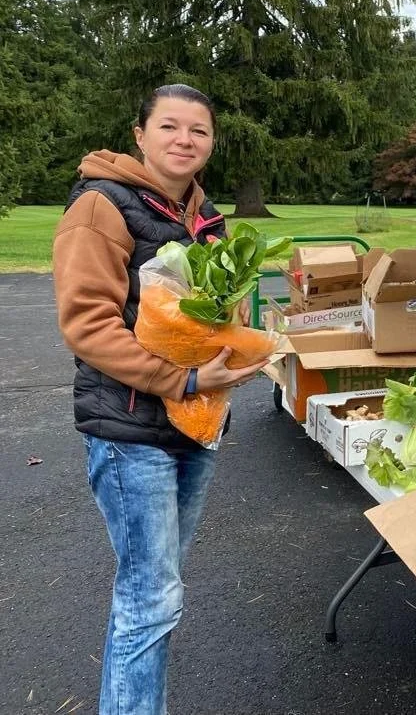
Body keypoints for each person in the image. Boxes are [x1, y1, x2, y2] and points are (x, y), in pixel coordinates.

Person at [52, 84, 264, 715]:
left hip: (194, 425)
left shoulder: (205, 217)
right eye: (169, 126)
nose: (184, 140)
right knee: (151, 597)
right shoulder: (101, 206)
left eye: (199, 130)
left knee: (157, 590)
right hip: (130, 428)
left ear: (212, 143)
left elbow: (218, 314)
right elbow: (88, 324)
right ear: (140, 135)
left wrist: (240, 343)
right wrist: (185, 380)